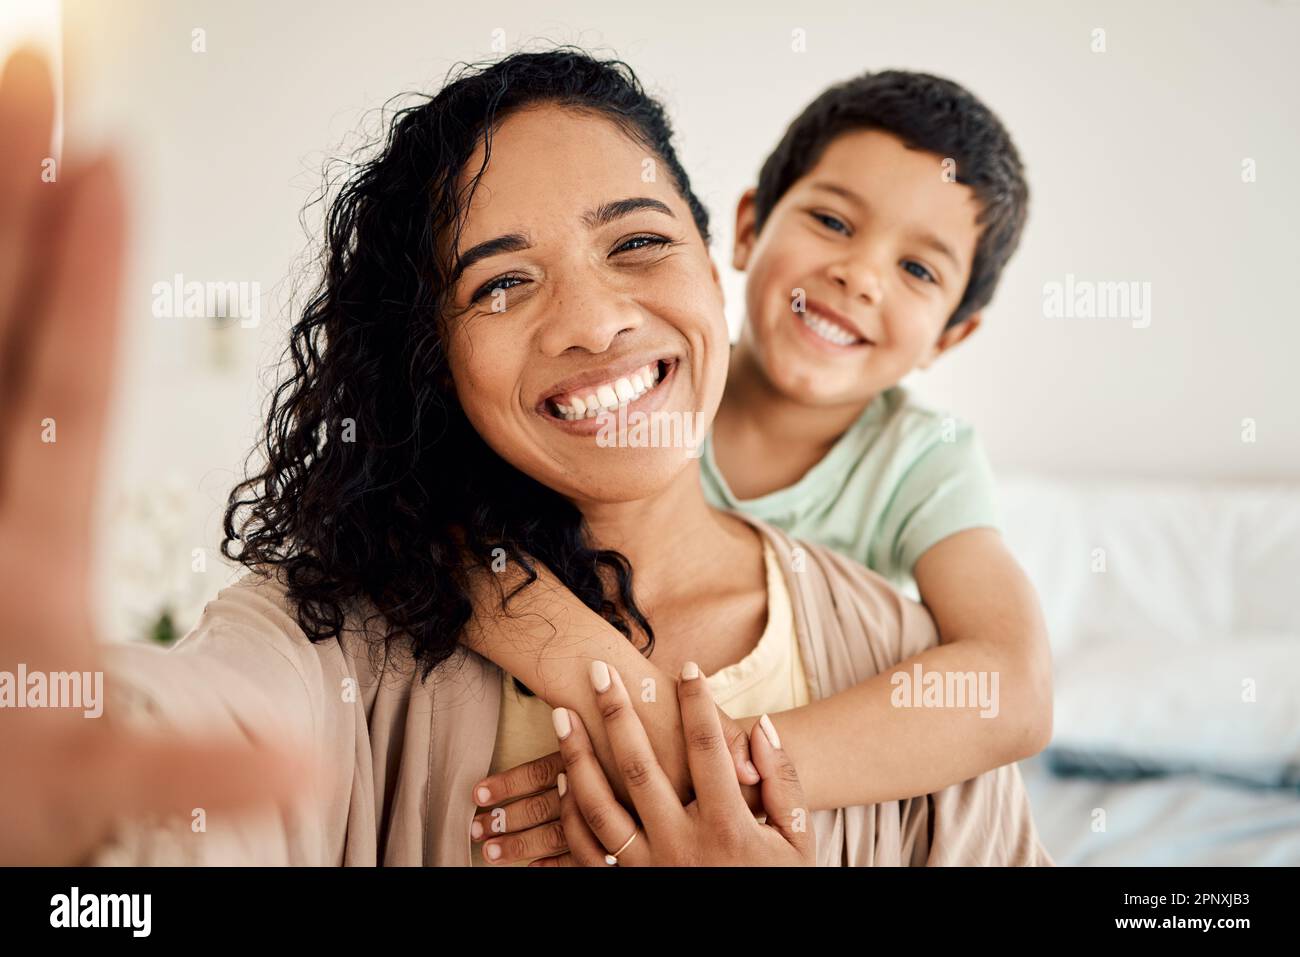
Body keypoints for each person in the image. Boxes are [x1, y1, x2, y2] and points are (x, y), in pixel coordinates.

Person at [0, 46, 1049, 866]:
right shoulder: (340, 642)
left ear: (701, 257)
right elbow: (184, 740)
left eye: (636, 242)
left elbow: (1013, 689)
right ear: (431, 354)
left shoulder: (908, 670)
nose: (593, 323)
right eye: (499, 282)